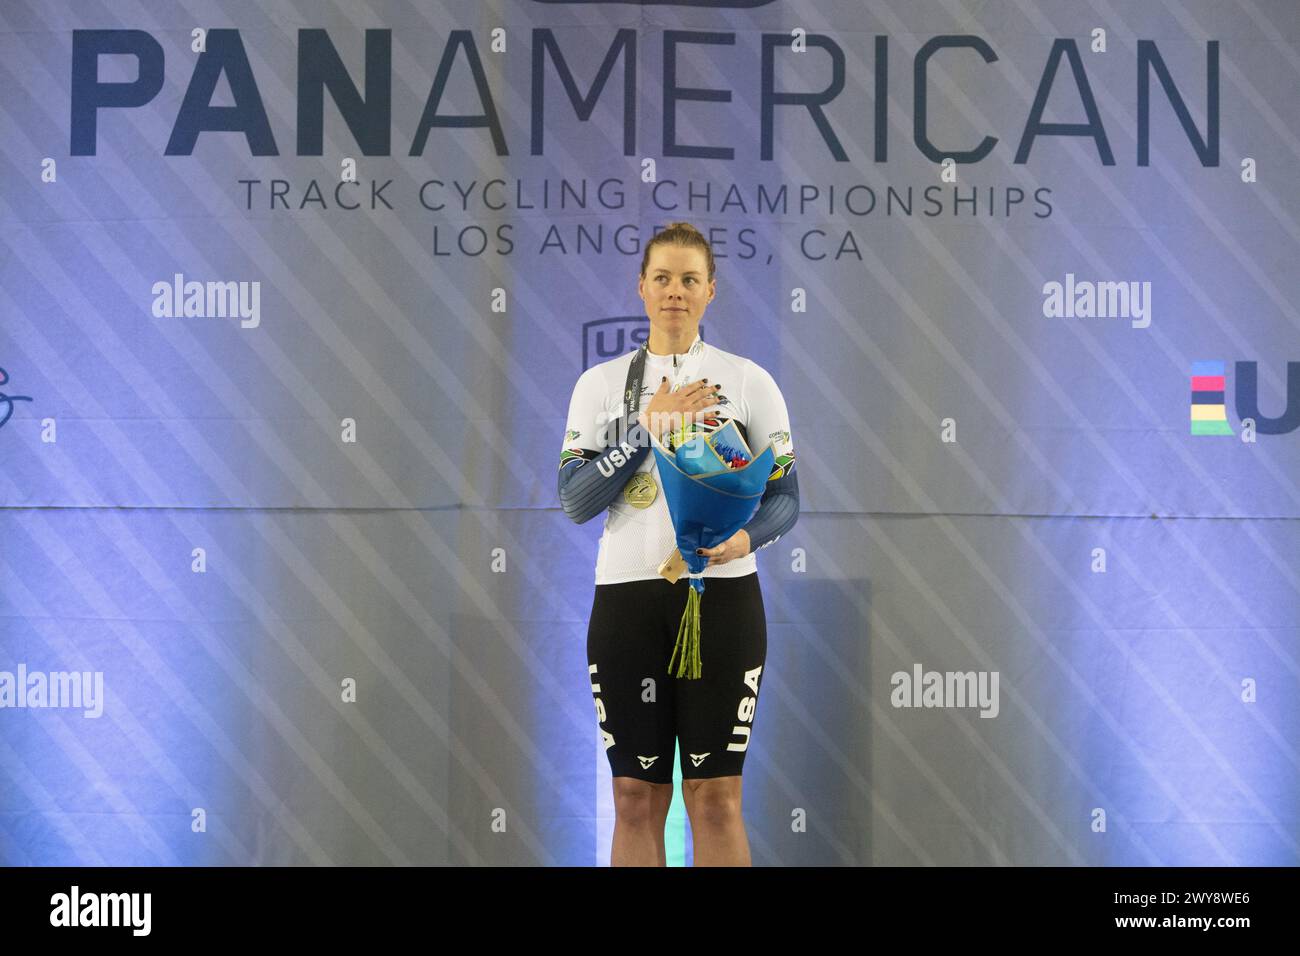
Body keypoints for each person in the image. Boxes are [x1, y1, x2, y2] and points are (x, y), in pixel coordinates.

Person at [557, 221, 799, 866]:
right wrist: (643, 429)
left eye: (690, 280)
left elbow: (785, 499)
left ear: (711, 291)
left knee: (714, 796)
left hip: (720, 600)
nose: (675, 292)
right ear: (641, 287)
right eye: (662, 278)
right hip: (628, 604)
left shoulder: (748, 382)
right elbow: (576, 501)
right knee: (636, 797)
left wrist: (738, 542)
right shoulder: (599, 385)